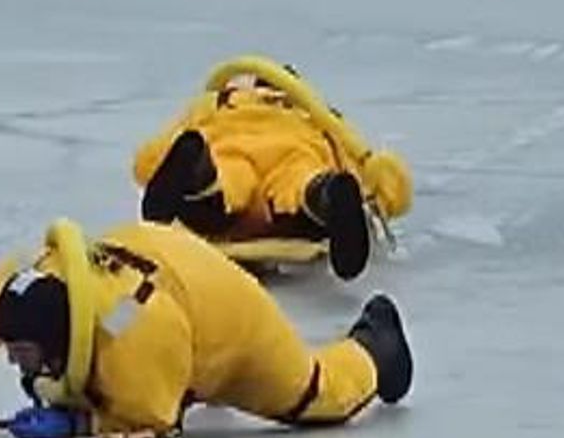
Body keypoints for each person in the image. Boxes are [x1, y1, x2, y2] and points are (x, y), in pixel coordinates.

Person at [0, 218, 413, 438]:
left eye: (24, 354)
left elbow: (153, 417)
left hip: (220, 313)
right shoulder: (25, 295)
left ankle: (378, 344)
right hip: (149, 252)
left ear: (60, 336)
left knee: (317, 396)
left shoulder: (128, 332)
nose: (14, 363)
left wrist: (80, 422)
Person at [132, 58, 412, 281]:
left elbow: (148, 162)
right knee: (300, 183)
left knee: (226, 180)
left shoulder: (214, 103)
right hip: (296, 149)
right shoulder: (314, 113)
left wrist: (158, 165)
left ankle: (199, 173)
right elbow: (360, 160)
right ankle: (324, 195)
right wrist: (380, 189)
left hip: (231, 143)